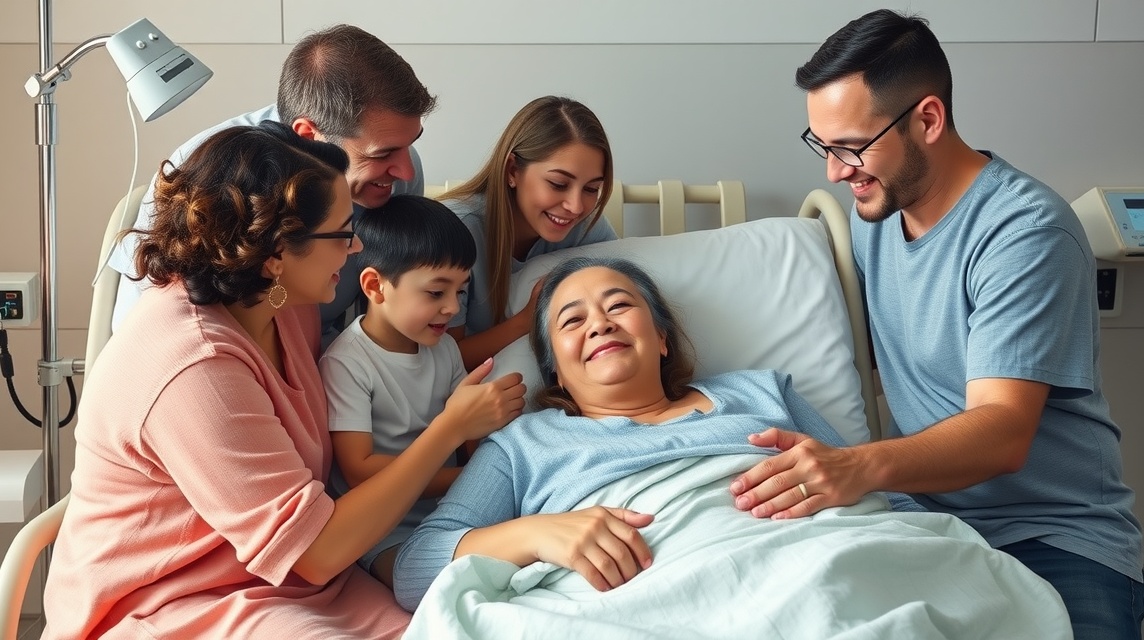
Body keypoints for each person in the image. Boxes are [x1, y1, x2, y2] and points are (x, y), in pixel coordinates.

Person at [729, 9, 1143, 638]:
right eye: (824, 146)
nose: (835, 173)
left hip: (1052, 534)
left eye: (852, 147)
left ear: (927, 119)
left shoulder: (1025, 233)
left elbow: (1003, 430)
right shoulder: (875, 217)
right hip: (917, 520)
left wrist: (854, 465)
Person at [41, 123, 500, 639]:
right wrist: (448, 430)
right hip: (172, 602)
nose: (354, 250)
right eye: (343, 233)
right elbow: (319, 552)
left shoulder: (281, 307)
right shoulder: (195, 367)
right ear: (278, 253)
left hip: (285, 580)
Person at [391, 256, 863, 608]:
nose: (599, 324)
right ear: (554, 369)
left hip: (832, 566)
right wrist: (536, 535)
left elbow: (883, 492)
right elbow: (415, 569)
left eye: (619, 305)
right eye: (573, 320)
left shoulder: (763, 392)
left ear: (661, 338)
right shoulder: (524, 444)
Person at [108, 23, 437, 343]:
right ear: (308, 136)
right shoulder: (208, 174)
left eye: (411, 143)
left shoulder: (394, 180)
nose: (406, 172)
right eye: (383, 153)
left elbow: (387, 319)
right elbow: (145, 332)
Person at [319, 194, 526, 588]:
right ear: (375, 287)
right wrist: (464, 476)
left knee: (507, 568)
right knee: (430, 582)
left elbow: (469, 436)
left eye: (460, 292)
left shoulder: (444, 348)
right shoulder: (346, 362)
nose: (451, 308)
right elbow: (359, 470)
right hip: (384, 529)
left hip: (451, 510)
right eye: (436, 293)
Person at [439, 96, 618, 370]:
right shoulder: (454, 231)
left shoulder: (587, 228)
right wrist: (524, 322)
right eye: (558, 184)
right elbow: (439, 360)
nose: (575, 206)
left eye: (592, 189)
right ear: (513, 170)